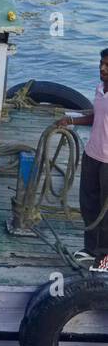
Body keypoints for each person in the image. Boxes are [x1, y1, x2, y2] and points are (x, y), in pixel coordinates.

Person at [59, 48, 108, 270]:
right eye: (101, 63)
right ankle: (90, 248)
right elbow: (96, 118)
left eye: (107, 65)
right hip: (92, 155)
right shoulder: (100, 89)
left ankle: (105, 258)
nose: (102, 68)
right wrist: (70, 120)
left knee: (105, 213)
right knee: (88, 205)